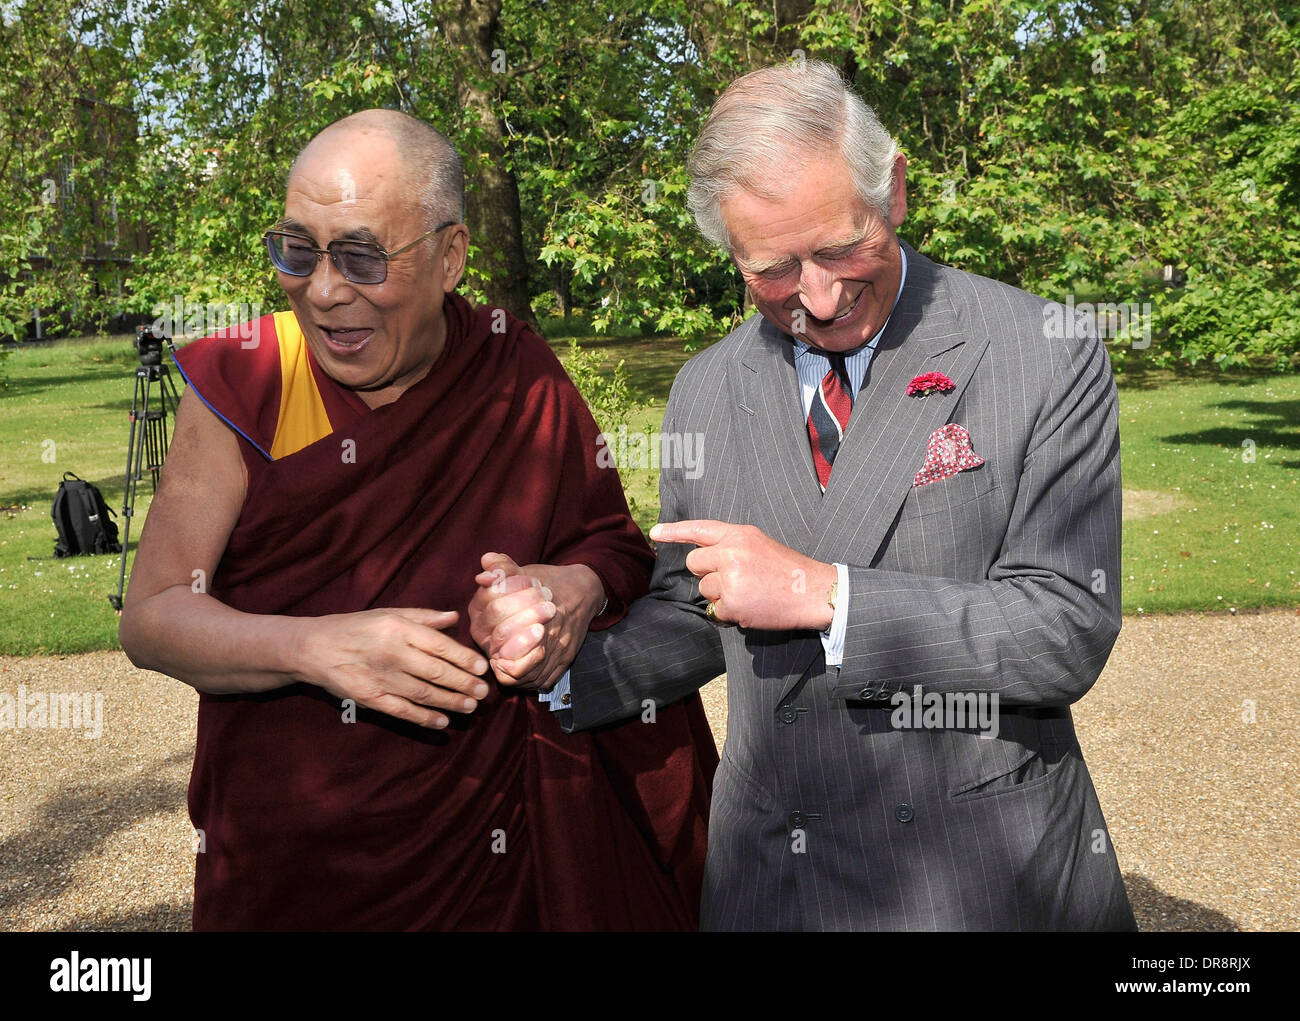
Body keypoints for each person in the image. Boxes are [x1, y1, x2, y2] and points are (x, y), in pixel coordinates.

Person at [470, 62, 1138, 931]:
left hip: (977, 872)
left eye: (841, 247)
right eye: (773, 269)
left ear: (893, 190)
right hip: (770, 882)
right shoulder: (706, 390)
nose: (818, 297)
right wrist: (554, 663)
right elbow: (696, 607)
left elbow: (1065, 629)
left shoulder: (1044, 353)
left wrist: (828, 595)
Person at [118, 109, 717, 931]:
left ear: (450, 257)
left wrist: (565, 590)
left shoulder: (515, 369)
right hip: (298, 856)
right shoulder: (249, 380)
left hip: (492, 846)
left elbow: (609, 544)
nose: (322, 290)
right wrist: (316, 647)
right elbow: (153, 618)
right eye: (297, 249)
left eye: (361, 256)